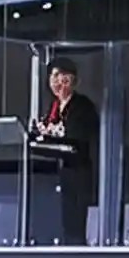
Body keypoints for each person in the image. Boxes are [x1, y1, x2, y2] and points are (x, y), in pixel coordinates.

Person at [32, 57, 100, 245]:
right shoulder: (53, 106)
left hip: (79, 172)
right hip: (58, 174)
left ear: (71, 80)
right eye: (53, 78)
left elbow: (78, 140)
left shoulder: (82, 106)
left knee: (76, 223)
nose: (56, 83)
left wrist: (55, 135)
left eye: (60, 77)